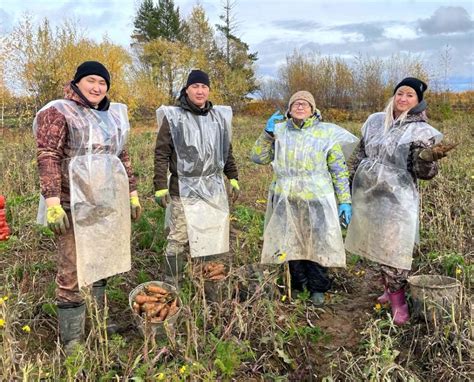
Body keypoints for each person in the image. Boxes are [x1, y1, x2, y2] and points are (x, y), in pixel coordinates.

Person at [33, 61, 141, 352]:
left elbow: (123, 157)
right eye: (91, 80)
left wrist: (132, 193)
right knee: (72, 270)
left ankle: (99, 319)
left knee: (101, 262)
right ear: (77, 82)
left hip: (104, 202)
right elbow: (48, 156)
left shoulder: (113, 116)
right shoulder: (58, 111)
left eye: (102, 83)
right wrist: (53, 202)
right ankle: (73, 340)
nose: (97, 87)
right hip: (71, 204)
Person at [345, 77, 446, 325]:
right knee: (377, 244)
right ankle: (388, 290)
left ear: (418, 101)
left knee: (396, 248)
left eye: (410, 95)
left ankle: (398, 300)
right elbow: (360, 154)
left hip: (397, 199)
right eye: (400, 93)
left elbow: (426, 173)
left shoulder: (421, 131)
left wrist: (425, 158)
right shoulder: (376, 121)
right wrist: (348, 187)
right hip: (368, 193)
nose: (403, 99)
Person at [251, 91, 358, 305]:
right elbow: (258, 157)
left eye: (305, 104)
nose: (300, 106)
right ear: (289, 110)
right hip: (286, 199)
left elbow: (338, 169)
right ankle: (298, 284)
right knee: (290, 243)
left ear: (312, 109)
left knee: (317, 244)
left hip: (316, 199)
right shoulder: (280, 132)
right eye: (295, 104)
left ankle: (318, 287)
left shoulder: (325, 134)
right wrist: (267, 134)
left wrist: (345, 199)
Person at [154, 69, 239, 282]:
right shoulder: (174, 118)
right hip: (183, 188)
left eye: (204, 87)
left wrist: (233, 176)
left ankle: (204, 280)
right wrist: (160, 185)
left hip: (212, 187)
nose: (200, 91)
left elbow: (225, 150)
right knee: (179, 236)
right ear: (187, 89)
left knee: (209, 234)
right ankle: (172, 283)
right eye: (195, 86)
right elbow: (161, 153)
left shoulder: (218, 119)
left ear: (208, 90)